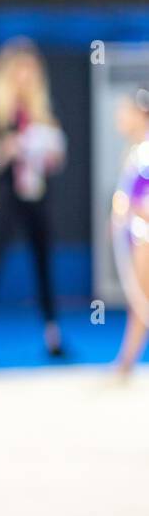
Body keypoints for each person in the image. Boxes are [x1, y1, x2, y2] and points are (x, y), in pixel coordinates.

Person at [0, 38, 68, 361]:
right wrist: (8, 149)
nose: (25, 77)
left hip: (37, 195)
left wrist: (48, 153)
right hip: (5, 195)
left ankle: (52, 332)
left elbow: (58, 154)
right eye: (20, 70)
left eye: (31, 71)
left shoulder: (41, 111)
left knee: (44, 263)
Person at [109, 85, 149, 378]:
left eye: (125, 111)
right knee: (140, 298)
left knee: (142, 298)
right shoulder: (136, 151)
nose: (119, 116)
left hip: (144, 235)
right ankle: (126, 361)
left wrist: (131, 209)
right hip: (138, 235)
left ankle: (125, 362)